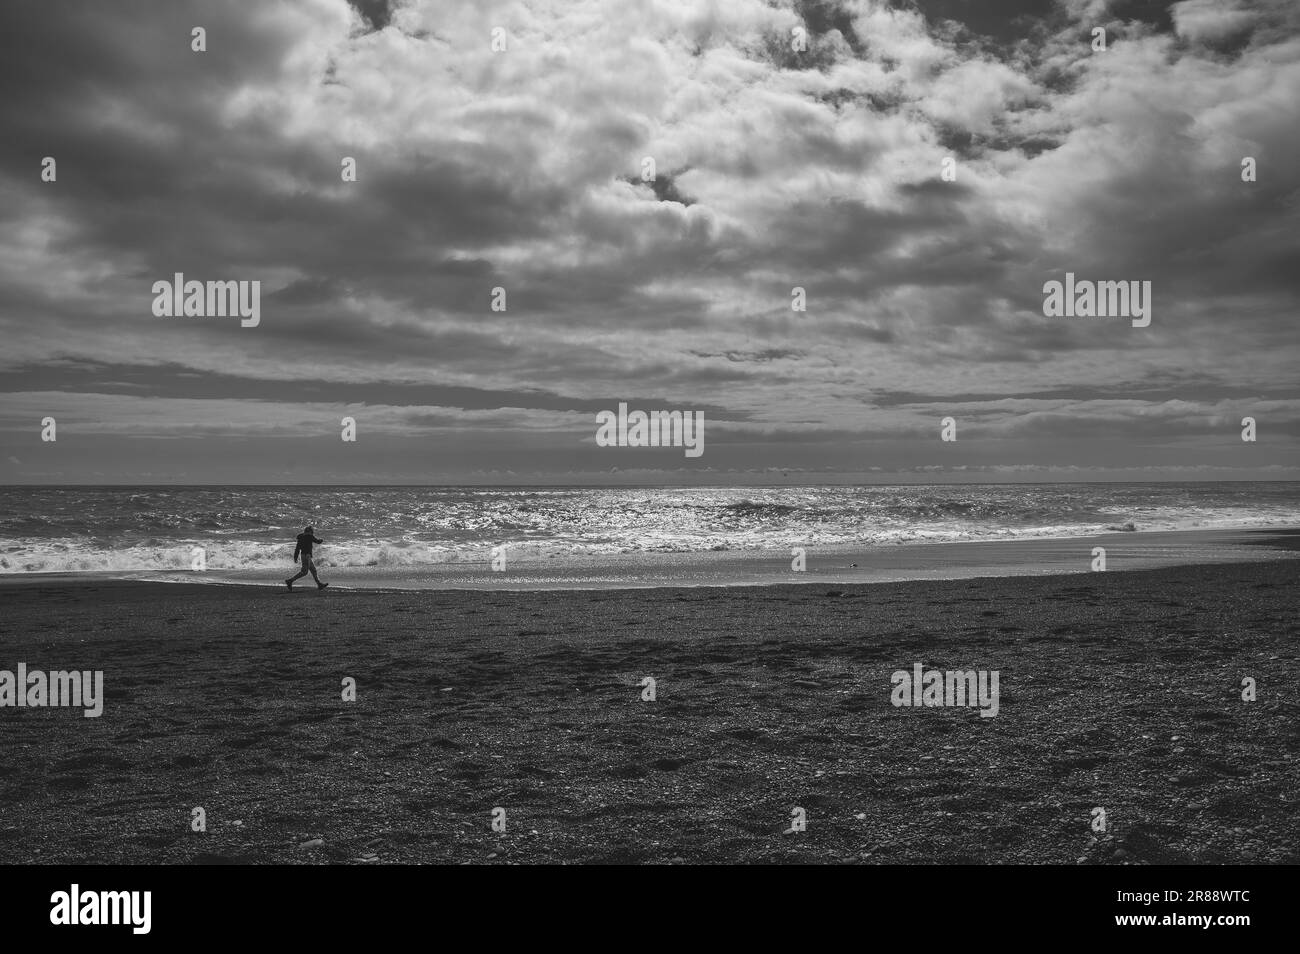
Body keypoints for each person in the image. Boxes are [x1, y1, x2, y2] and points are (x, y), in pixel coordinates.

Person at [285, 525, 328, 590]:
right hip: (307, 556)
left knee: (313, 570)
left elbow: (297, 549)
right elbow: (317, 541)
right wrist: (321, 540)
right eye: (312, 531)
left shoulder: (301, 537)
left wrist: (295, 557)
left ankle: (319, 584)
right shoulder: (310, 536)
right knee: (305, 572)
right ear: (310, 531)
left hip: (303, 555)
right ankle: (290, 581)